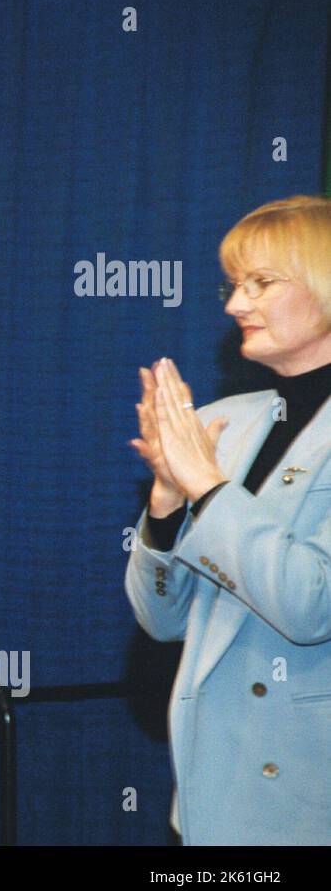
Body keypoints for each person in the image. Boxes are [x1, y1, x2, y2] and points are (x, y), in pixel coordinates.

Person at [126, 195, 331, 845]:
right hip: (211, 796)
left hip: (303, 802)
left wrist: (208, 487)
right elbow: (161, 620)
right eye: (234, 285)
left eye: (261, 283)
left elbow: (307, 606)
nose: (234, 306)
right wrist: (164, 502)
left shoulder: (212, 455)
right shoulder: (231, 421)